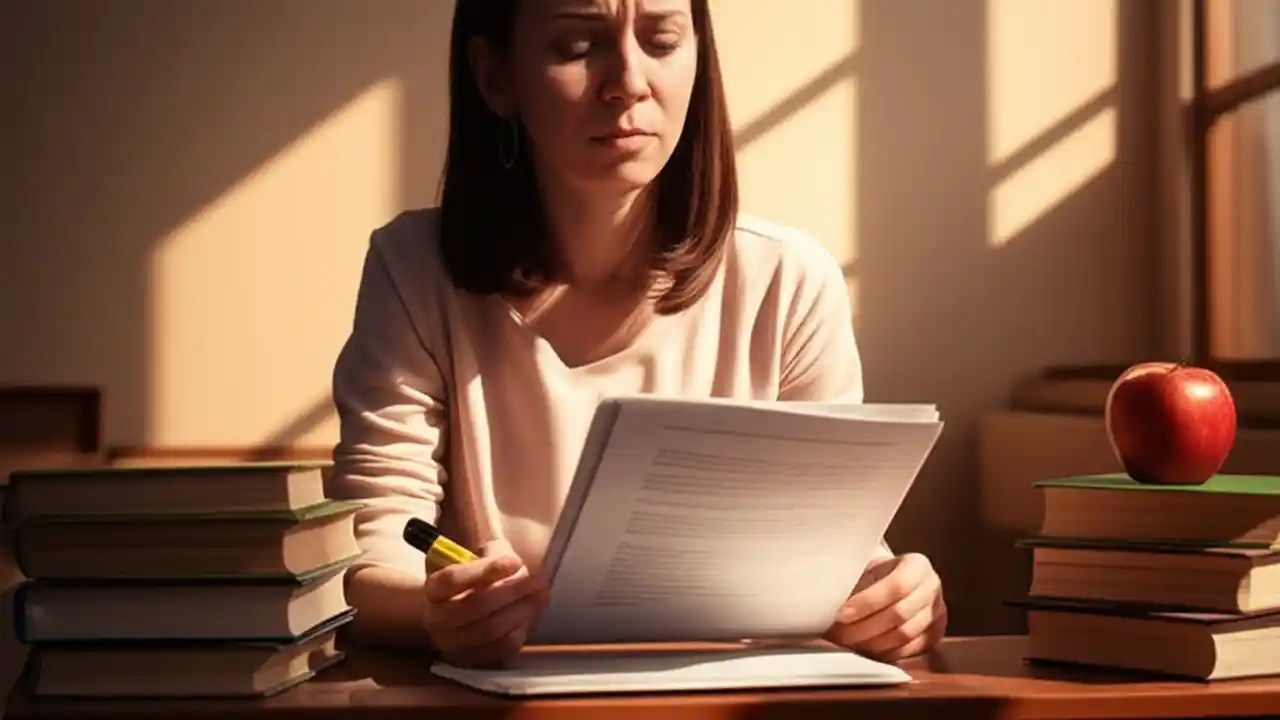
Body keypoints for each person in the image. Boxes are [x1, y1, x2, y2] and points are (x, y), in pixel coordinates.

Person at [326, 0, 946, 670]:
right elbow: (375, 546)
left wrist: (894, 601)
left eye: (661, 39)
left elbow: (841, 557)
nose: (628, 80)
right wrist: (435, 610)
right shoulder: (414, 269)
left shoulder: (787, 282)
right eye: (575, 45)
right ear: (495, 76)